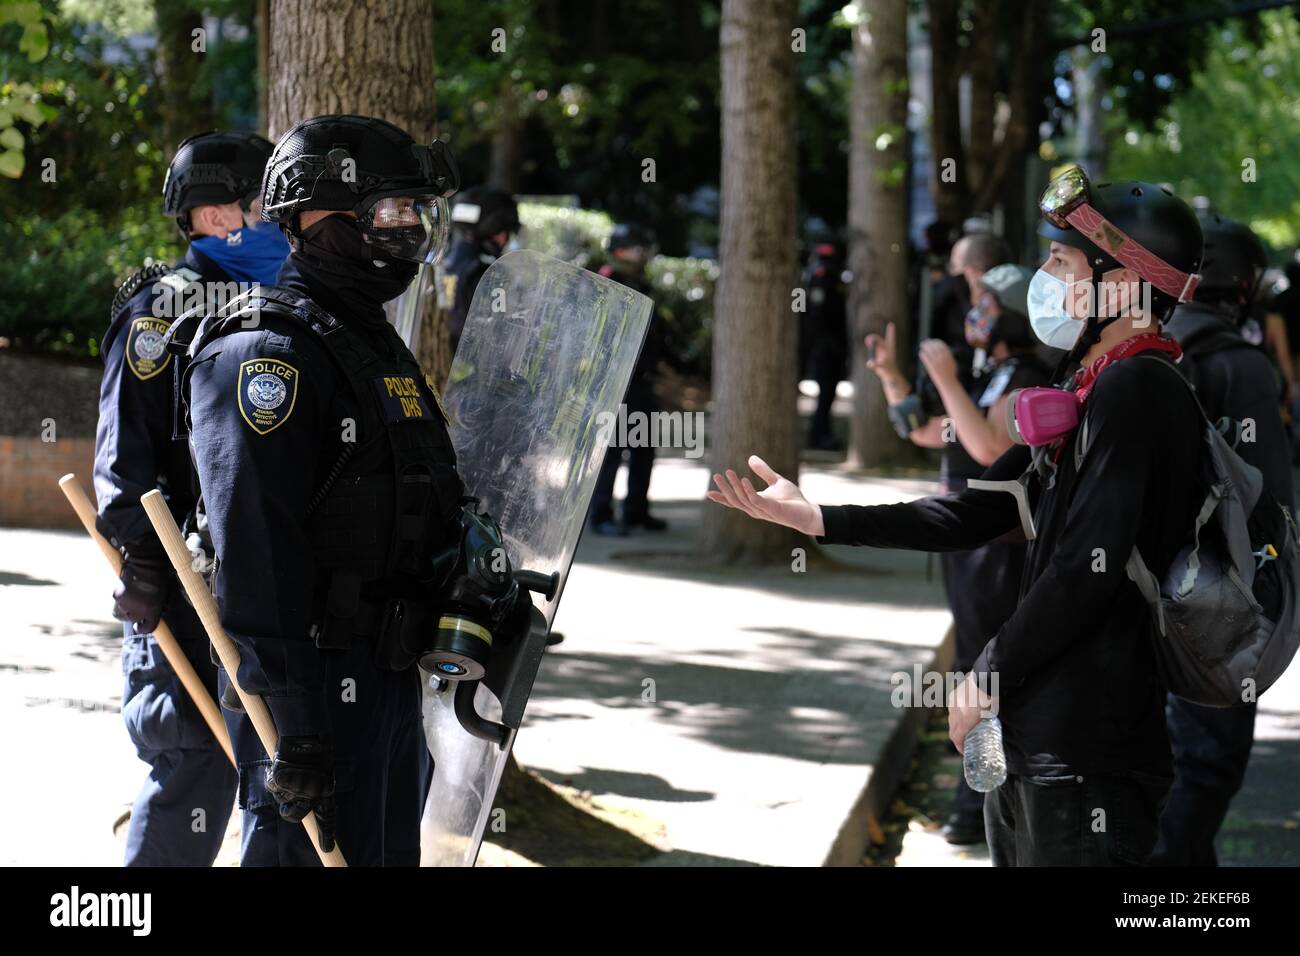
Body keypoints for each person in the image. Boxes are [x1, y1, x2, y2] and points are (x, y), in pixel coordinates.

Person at [708, 170, 1206, 866]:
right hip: (1039, 733)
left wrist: (988, 671)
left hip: (1091, 747)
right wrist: (821, 517)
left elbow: (1082, 570)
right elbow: (977, 509)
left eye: (1061, 262)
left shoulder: (1140, 387)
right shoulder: (1090, 383)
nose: (1045, 279)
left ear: (1121, 283)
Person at [180, 114, 473, 866]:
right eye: (391, 211)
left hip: (384, 676)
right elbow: (255, 549)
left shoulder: (367, 339)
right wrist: (295, 720)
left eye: (415, 211)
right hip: (311, 691)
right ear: (318, 217)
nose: (408, 229)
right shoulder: (265, 354)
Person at [95, 130, 285, 866]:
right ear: (215, 216)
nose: (281, 220)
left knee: (275, 777)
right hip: (183, 591)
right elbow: (125, 463)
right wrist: (145, 564)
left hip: (265, 593)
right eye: (266, 205)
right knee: (192, 768)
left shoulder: (281, 303)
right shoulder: (160, 311)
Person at [865, 263, 1050, 844]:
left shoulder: (1024, 375)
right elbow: (930, 432)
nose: (975, 313)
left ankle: (979, 807)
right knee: (973, 662)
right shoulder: (992, 373)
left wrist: (943, 377)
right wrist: (894, 378)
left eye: (987, 303)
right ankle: (982, 801)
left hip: (996, 549)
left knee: (983, 666)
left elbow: (990, 444)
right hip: (966, 543)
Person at [1152, 214, 1291, 866]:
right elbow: (1269, 507)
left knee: (1163, 767)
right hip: (1216, 603)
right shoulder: (1243, 366)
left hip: (1133, 590)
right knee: (1207, 767)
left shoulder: (1135, 349)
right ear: (1246, 284)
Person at [589, 222, 668, 535]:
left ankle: (636, 511)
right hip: (614, 381)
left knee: (643, 446)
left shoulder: (639, 282)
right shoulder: (610, 280)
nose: (643, 254)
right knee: (611, 453)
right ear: (621, 251)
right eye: (638, 248)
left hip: (641, 379)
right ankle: (601, 516)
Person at [436, 185, 520, 355]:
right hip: (468, 367)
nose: (506, 239)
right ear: (497, 230)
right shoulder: (492, 273)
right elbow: (498, 333)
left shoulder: (445, 262)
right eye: (506, 232)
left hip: (439, 363)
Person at [802, 242, 849, 450]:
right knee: (825, 395)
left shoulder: (826, 277)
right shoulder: (821, 278)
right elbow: (816, 315)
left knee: (828, 396)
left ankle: (821, 435)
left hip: (829, 347)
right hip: (826, 348)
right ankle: (819, 437)